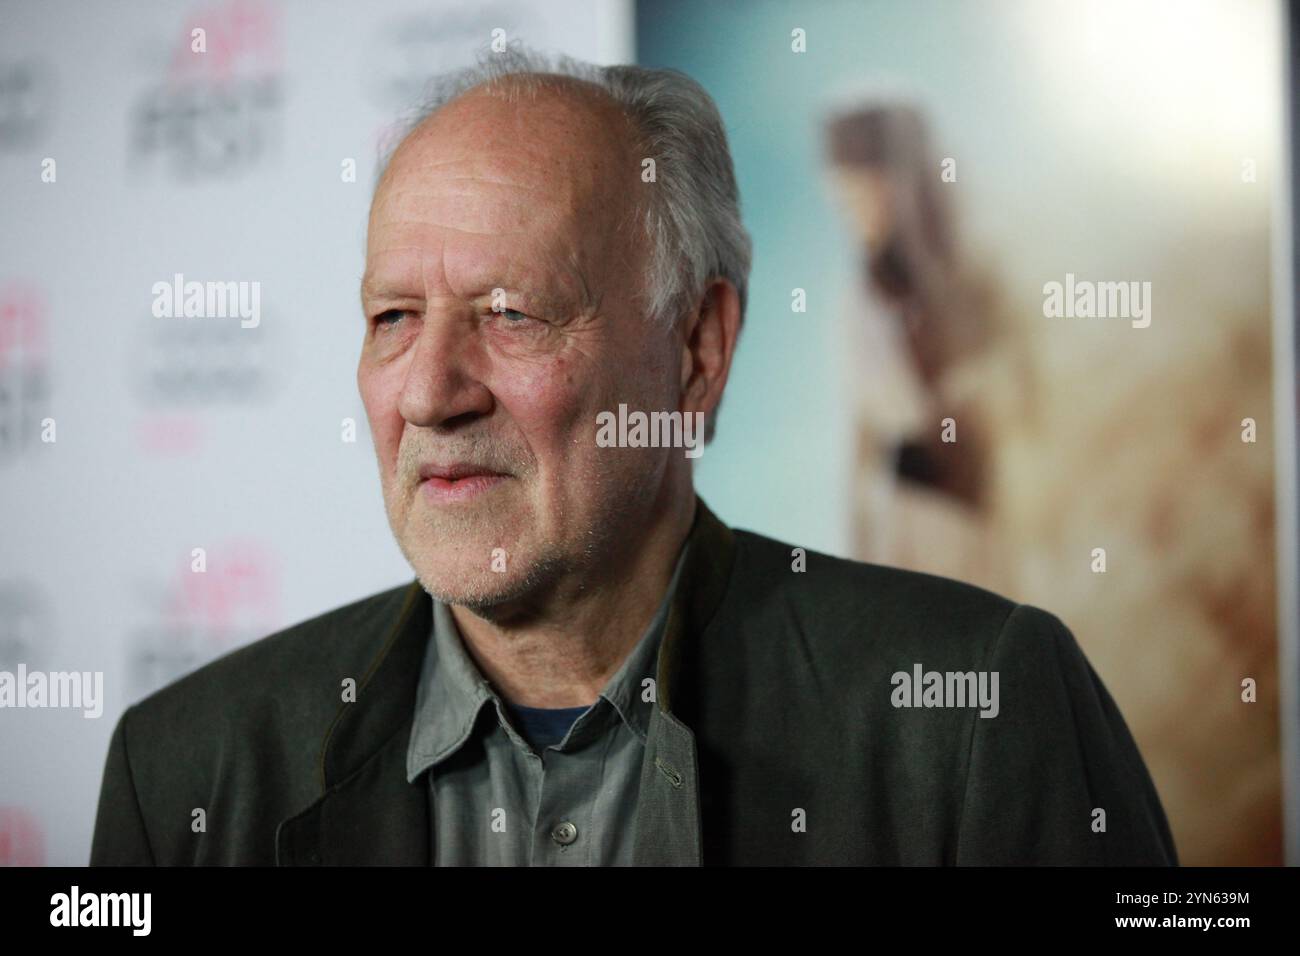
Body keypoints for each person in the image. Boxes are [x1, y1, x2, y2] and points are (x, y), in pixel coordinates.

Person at [90, 45, 1176, 866]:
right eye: (390, 318)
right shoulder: (184, 769)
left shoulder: (979, 711)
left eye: (511, 312)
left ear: (696, 351)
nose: (428, 390)